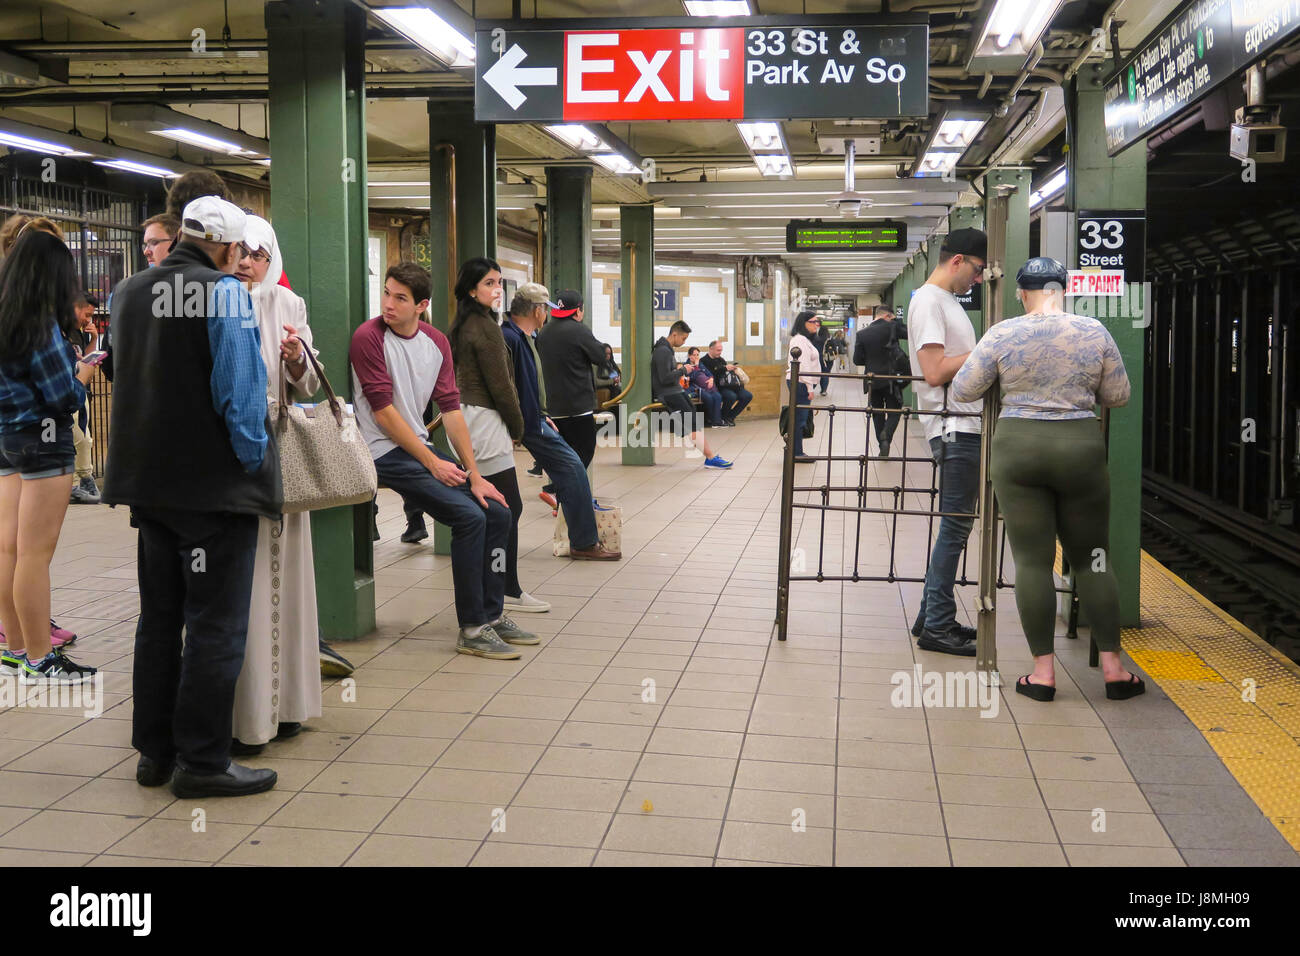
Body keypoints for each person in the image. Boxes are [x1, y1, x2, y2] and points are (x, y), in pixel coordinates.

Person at [104, 196, 280, 798]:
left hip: (148, 488)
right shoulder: (225, 293)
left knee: (159, 619)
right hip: (213, 493)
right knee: (215, 625)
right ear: (229, 248)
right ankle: (202, 763)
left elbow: (124, 375)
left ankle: (154, 753)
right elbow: (240, 395)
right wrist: (253, 463)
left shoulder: (127, 292)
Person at [952, 256, 1141, 701]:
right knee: (1094, 559)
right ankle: (1114, 670)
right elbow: (1118, 396)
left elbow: (963, 390)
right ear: (1064, 290)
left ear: (1022, 292)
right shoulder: (1094, 331)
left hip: (1018, 448)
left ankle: (1042, 676)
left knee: (1033, 562)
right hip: (1079, 446)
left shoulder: (1003, 333)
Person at [351, 262, 536, 661]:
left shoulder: (435, 342)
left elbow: (451, 410)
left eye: (400, 298)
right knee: (469, 519)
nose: (388, 304)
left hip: (414, 447)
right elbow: (383, 413)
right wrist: (433, 464)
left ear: (421, 305)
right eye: (386, 293)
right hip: (380, 450)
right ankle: (471, 628)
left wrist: (475, 475)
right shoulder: (368, 338)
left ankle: (492, 613)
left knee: (497, 511)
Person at [225, 214, 324, 755]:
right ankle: (246, 715)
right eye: (241, 252)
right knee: (246, 584)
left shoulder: (289, 305)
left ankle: (285, 707)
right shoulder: (219, 303)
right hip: (235, 459)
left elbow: (309, 378)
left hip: (280, 453)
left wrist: (296, 358)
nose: (247, 263)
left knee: (284, 578)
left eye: (258, 255)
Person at [0, 228, 99, 685]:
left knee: (9, 549)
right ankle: (42, 658)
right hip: (43, 444)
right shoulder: (38, 325)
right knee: (35, 555)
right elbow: (61, 397)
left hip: (7, 440)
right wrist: (81, 375)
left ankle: (16, 650)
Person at [447, 257, 550, 614]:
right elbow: (502, 386)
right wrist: (520, 427)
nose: (497, 290)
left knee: (491, 510)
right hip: (485, 423)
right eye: (490, 283)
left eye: (499, 283)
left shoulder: (463, 325)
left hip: (467, 419)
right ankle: (505, 588)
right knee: (506, 509)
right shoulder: (486, 329)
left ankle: (496, 588)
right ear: (473, 289)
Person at [907, 227, 987, 657]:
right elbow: (935, 371)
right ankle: (938, 626)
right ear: (957, 260)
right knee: (955, 527)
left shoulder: (945, 302)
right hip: (955, 428)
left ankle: (929, 617)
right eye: (975, 269)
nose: (977, 278)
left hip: (962, 425)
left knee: (955, 527)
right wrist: (988, 349)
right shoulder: (928, 302)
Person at [503, 283, 621, 560]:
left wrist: (540, 413)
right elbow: (597, 356)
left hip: (547, 412)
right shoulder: (570, 331)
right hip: (565, 410)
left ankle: (562, 501)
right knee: (576, 464)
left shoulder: (538, 335)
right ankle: (578, 531)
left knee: (568, 465)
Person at [535, 290, 606, 473]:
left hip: (553, 405)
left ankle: (566, 495)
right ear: (578, 310)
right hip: (578, 405)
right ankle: (558, 489)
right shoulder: (579, 330)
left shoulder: (544, 332)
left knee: (564, 452)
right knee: (585, 449)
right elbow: (600, 356)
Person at [651, 321, 732, 468]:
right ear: (674, 334)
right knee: (692, 424)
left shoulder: (667, 350)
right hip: (669, 393)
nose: (684, 342)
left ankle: (709, 456)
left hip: (675, 391)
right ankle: (710, 457)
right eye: (683, 339)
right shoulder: (662, 351)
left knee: (693, 420)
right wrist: (683, 370)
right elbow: (664, 378)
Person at [853, 305, 909, 458]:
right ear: (888, 316)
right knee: (895, 410)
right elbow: (910, 334)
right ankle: (887, 436)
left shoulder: (862, 334)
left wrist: (871, 360)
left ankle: (881, 444)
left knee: (877, 413)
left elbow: (857, 360)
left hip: (872, 380)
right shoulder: (892, 327)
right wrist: (897, 322)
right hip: (892, 379)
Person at [67, 292, 102, 505]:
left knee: (85, 437)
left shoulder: (80, 331)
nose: (88, 320)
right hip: (69, 388)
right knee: (75, 436)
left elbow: (85, 358)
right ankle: (73, 484)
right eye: (86, 314)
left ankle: (85, 479)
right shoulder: (62, 331)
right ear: (75, 307)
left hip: (81, 388)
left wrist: (95, 339)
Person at [785, 312, 823, 463]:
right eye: (813, 322)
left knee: (800, 417)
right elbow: (803, 366)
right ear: (804, 323)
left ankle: (796, 450)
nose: (816, 325)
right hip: (800, 383)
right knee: (799, 419)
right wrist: (810, 388)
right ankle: (796, 453)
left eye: (817, 322)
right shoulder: (799, 340)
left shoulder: (804, 339)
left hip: (802, 382)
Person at [699, 340, 751, 425]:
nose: (720, 352)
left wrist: (732, 369)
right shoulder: (704, 361)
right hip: (718, 387)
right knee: (731, 396)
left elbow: (726, 374)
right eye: (718, 350)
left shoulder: (721, 360)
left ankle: (730, 416)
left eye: (721, 350)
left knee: (747, 395)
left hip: (729, 385)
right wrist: (725, 368)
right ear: (711, 349)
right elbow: (709, 375)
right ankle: (723, 417)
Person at [685, 346, 725, 427]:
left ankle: (717, 422)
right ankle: (712, 420)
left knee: (718, 397)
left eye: (697, 355)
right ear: (689, 356)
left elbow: (709, 373)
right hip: (697, 388)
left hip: (708, 387)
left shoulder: (701, 364)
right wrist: (696, 367)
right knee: (709, 399)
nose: (696, 357)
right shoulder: (686, 366)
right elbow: (690, 378)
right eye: (694, 355)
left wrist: (711, 379)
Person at [812, 318, 830, 395]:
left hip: (823, 356)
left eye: (817, 322)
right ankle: (811, 388)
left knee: (824, 373)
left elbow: (822, 340)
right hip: (813, 355)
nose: (816, 323)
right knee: (812, 373)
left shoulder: (823, 330)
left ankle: (824, 390)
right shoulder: (811, 330)